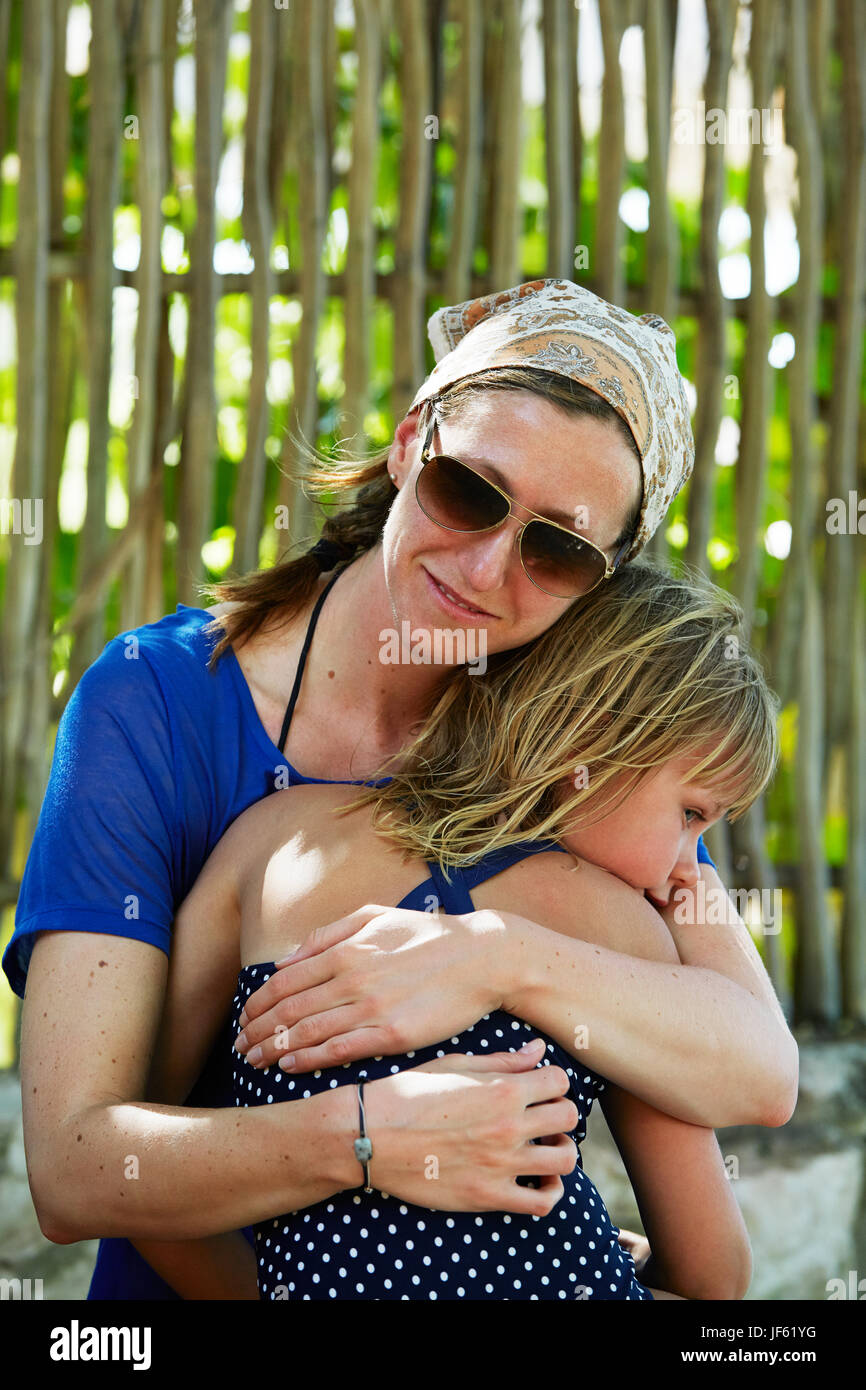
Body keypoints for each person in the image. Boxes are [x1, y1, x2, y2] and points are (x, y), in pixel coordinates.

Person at [10, 280, 797, 1301]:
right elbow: (75, 1169)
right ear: (407, 442)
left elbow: (757, 1070)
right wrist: (370, 1139)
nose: (482, 566)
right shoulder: (152, 704)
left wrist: (489, 956)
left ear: (600, 583)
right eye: (469, 490)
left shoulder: (569, 768)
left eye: (556, 548)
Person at [145, 561, 772, 1300]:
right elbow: (713, 1273)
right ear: (593, 752)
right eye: (691, 816)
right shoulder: (621, 929)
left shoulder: (274, 843)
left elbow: (141, 1179)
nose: (685, 866)